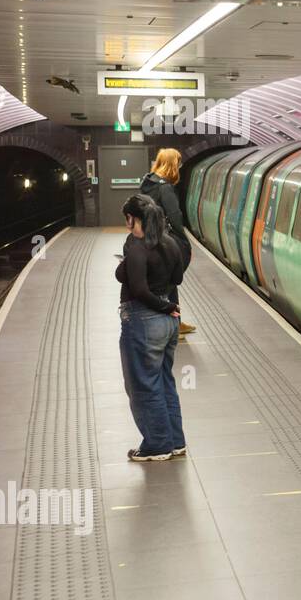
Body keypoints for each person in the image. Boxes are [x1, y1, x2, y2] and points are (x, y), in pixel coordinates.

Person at [116, 194, 187, 462]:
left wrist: (162, 307)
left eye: (127, 217)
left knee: (143, 385)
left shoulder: (137, 248)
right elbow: (177, 278)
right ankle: (175, 441)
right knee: (164, 381)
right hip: (168, 324)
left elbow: (139, 290)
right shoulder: (171, 244)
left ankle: (157, 445)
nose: (126, 222)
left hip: (144, 320)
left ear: (134, 218)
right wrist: (168, 306)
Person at [140, 148, 195, 336]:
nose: (180, 166)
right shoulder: (165, 187)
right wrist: (184, 239)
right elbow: (174, 215)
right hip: (166, 241)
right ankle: (168, 328)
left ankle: (176, 322)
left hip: (152, 238)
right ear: (173, 164)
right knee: (167, 285)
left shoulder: (147, 183)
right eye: (178, 163)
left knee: (168, 284)